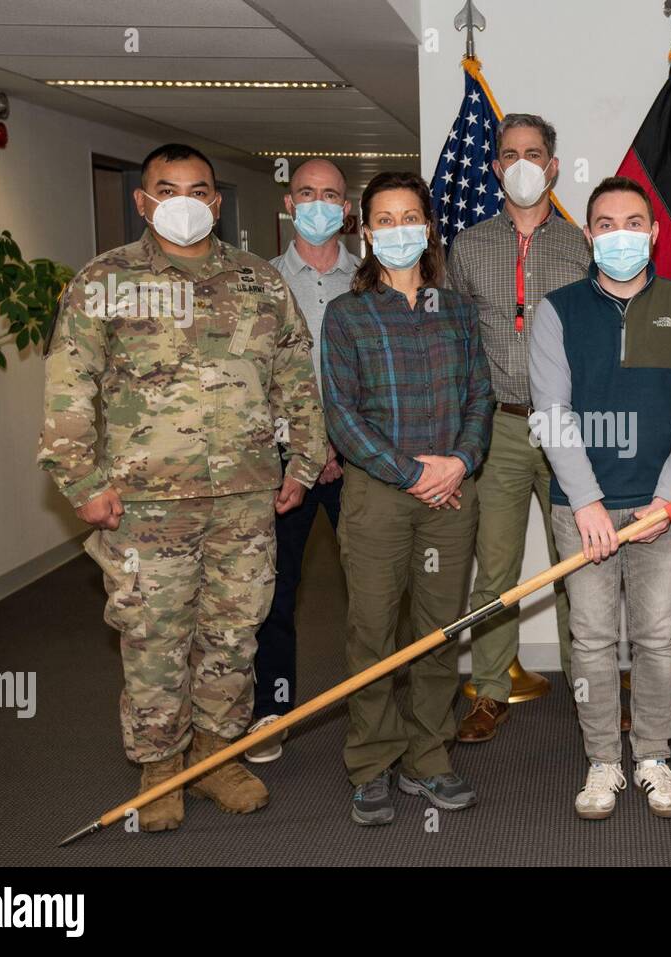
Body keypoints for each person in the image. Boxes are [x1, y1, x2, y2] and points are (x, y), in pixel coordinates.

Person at [38, 143, 326, 832]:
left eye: (199, 189)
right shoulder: (104, 281)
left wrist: (305, 463)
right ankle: (161, 765)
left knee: (234, 633)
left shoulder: (259, 281)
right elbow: (68, 385)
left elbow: (296, 378)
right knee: (153, 636)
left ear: (217, 201)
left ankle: (216, 755)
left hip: (245, 500)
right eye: (167, 189)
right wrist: (80, 479)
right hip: (142, 506)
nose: (185, 201)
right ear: (142, 201)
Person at [529, 176, 671, 820]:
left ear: (654, 232)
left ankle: (656, 757)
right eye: (605, 224)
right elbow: (551, 413)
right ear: (589, 235)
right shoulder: (556, 310)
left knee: (658, 637)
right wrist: (585, 502)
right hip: (578, 505)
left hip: (660, 507)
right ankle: (604, 760)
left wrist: (668, 498)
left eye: (632, 222)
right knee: (590, 639)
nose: (619, 234)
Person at [321, 170, 494, 827]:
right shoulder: (346, 315)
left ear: (429, 229)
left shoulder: (456, 310)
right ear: (366, 232)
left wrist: (459, 461)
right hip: (378, 495)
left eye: (409, 217)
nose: (398, 230)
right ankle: (371, 762)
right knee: (372, 629)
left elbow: (479, 393)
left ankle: (429, 755)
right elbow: (341, 414)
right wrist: (409, 471)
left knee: (438, 630)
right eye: (384, 220)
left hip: (453, 491)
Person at [445, 114, 590, 742]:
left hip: (571, 430)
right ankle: (490, 689)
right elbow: (455, 341)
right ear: (497, 167)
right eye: (511, 154)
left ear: (553, 166)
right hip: (500, 428)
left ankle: (592, 691)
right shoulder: (468, 246)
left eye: (536, 153)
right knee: (495, 566)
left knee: (579, 565)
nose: (524, 164)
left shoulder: (584, 244)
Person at [246, 158, 361, 764]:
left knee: (371, 590)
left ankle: (376, 707)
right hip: (283, 465)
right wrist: (303, 454)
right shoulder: (257, 280)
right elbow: (251, 383)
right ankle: (273, 708)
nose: (319, 204)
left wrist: (340, 446)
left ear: (346, 210)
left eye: (332, 195)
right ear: (289, 204)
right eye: (306, 193)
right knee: (275, 591)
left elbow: (378, 380)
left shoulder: (369, 279)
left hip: (360, 461)